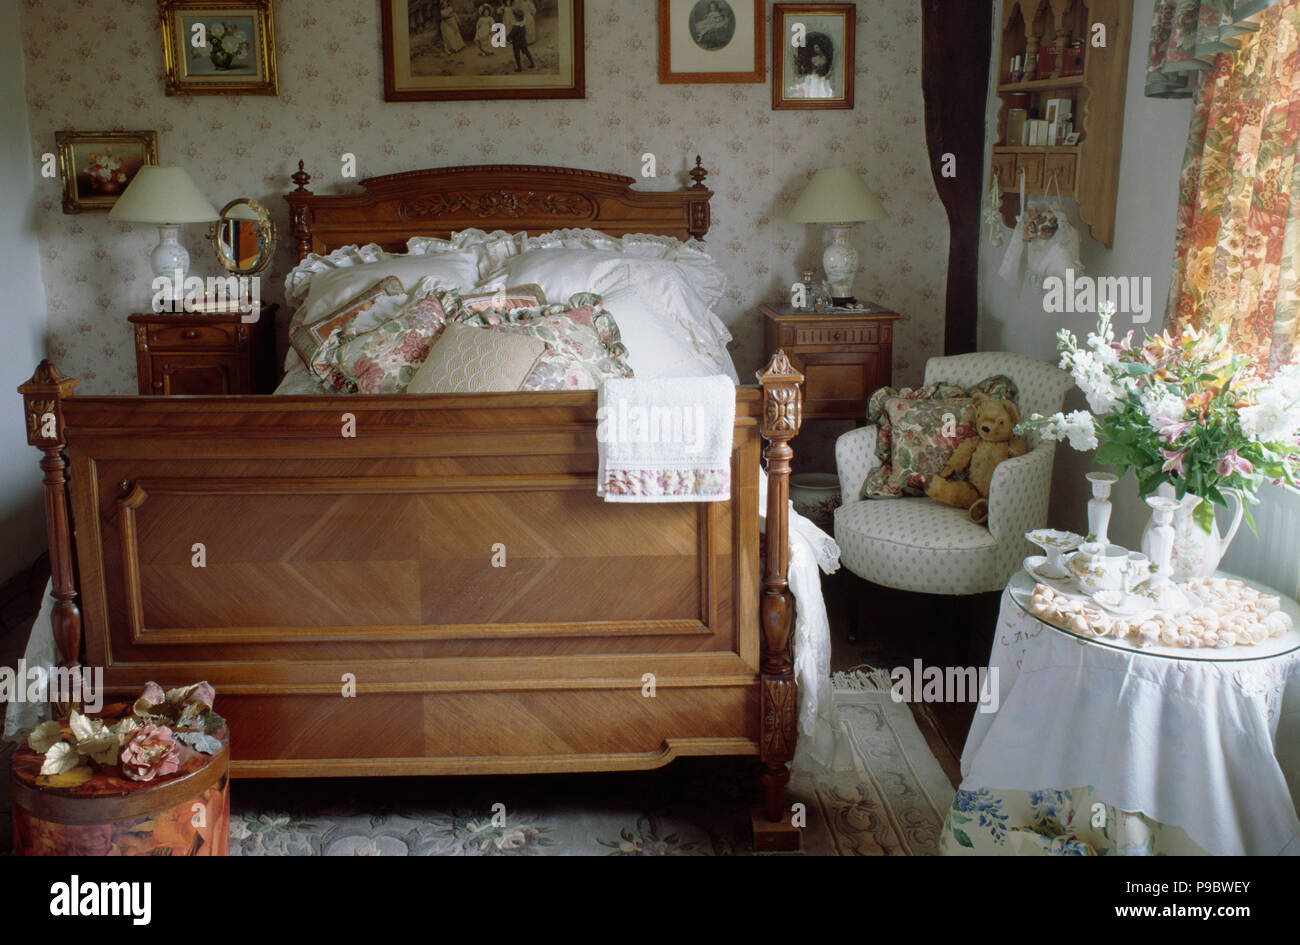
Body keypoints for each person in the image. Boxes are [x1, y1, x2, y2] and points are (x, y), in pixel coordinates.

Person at [508, 6, 534, 71]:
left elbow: (511, 34)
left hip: (516, 42)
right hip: (523, 41)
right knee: (526, 51)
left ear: (516, 17)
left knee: (516, 54)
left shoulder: (515, 26)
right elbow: (523, 33)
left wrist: (507, 38)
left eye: (514, 16)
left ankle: (519, 68)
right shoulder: (523, 25)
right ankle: (532, 63)